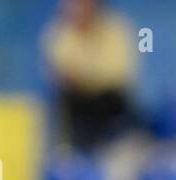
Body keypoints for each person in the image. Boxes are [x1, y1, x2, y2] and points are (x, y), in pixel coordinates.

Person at [39, 0, 138, 152]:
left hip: (110, 102)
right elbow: (56, 71)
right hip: (76, 104)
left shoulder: (116, 28)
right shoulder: (58, 31)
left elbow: (118, 73)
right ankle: (65, 156)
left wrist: (84, 76)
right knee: (60, 104)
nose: (76, 9)